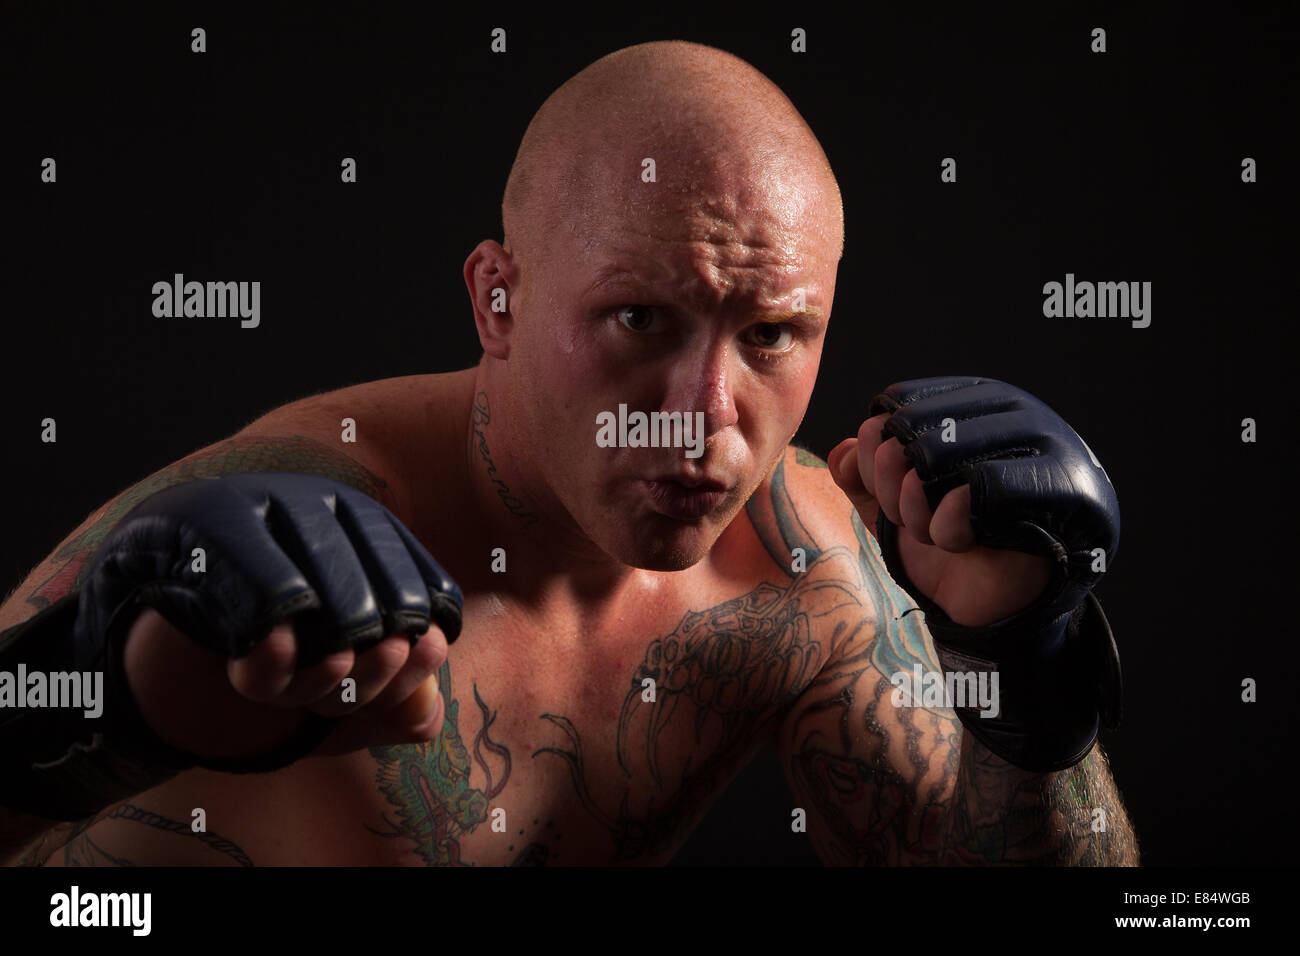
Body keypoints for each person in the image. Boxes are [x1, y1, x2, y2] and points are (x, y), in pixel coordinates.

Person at [0, 40, 1136, 866]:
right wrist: (106, 701)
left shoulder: (798, 565)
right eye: (640, 319)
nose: (703, 415)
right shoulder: (292, 524)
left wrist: (1026, 666)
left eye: (770, 335)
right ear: (497, 300)